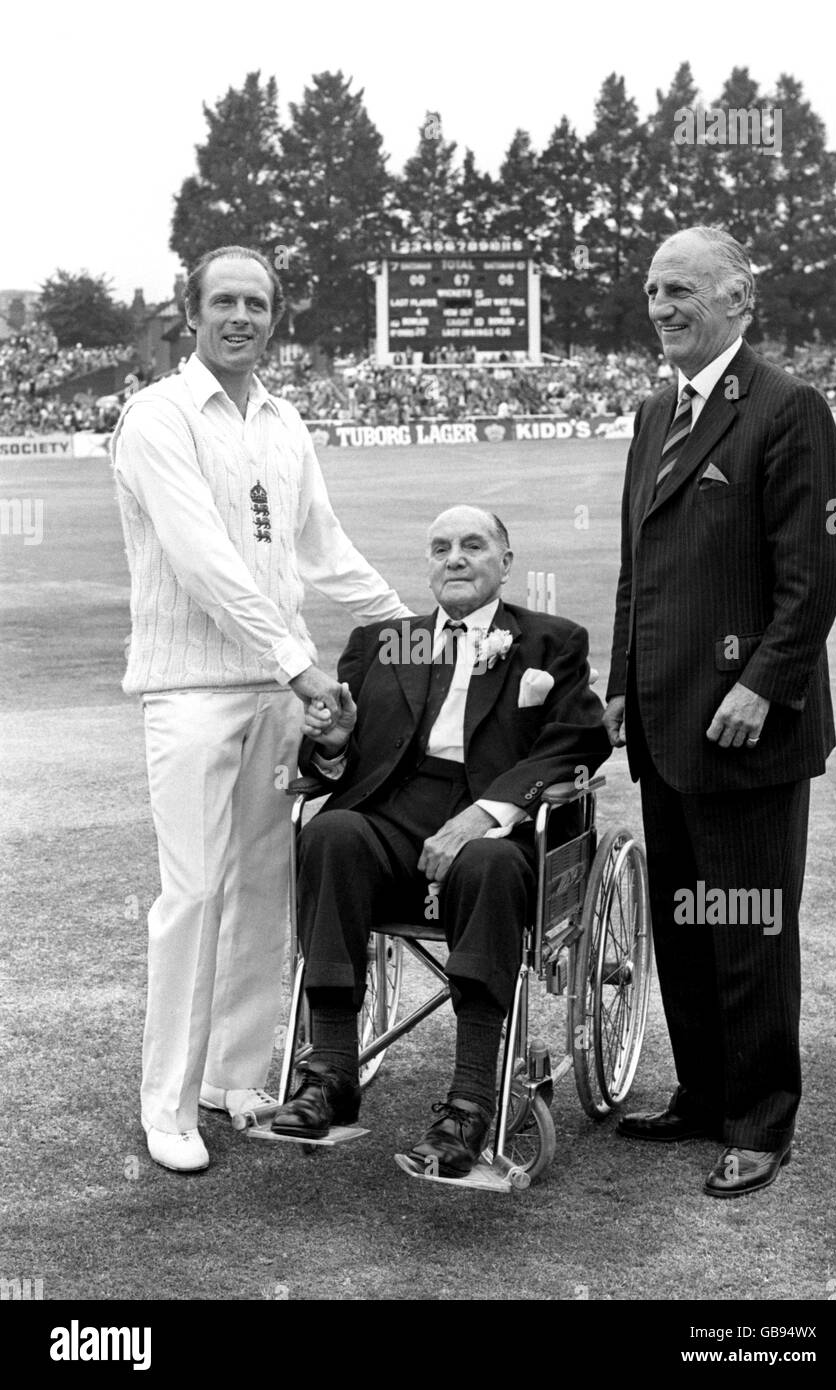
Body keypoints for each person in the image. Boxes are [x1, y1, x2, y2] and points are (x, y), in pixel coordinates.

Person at [111, 245, 409, 1173]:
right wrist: (297, 663)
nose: (241, 317)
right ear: (189, 312)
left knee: (265, 889)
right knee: (193, 892)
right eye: (224, 302)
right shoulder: (156, 416)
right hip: (193, 692)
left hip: (276, 692)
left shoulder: (284, 422)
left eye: (258, 303)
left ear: (274, 316)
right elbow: (203, 561)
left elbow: (322, 551)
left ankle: (233, 1080)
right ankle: (168, 1105)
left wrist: (417, 626)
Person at [603, 226, 836, 1197]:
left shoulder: (787, 410)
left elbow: (813, 570)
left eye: (682, 291)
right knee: (682, 927)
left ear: (738, 299)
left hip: (745, 730)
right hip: (664, 729)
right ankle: (702, 1094)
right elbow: (638, 568)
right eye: (652, 292)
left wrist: (761, 685)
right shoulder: (650, 413)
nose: (661, 308)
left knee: (747, 934)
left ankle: (758, 1121)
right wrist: (622, 681)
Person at [270, 505, 611, 1177]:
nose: (454, 558)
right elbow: (333, 761)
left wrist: (484, 814)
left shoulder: (552, 642)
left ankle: (469, 1101)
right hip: (392, 820)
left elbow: (581, 740)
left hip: (494, 828)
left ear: (505, 563)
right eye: (441, 547)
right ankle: (331, 1072)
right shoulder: (380, 642)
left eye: (473, 545)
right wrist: (333, 747)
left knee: (484, 863)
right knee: (332, 831)